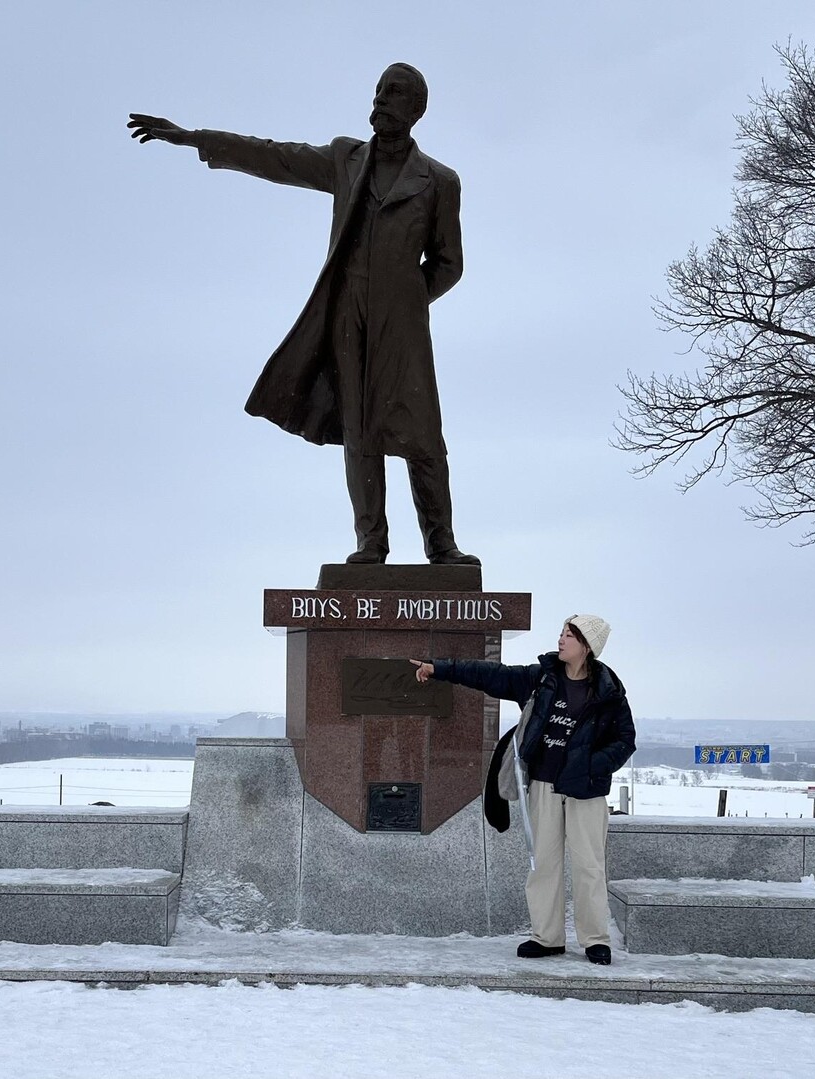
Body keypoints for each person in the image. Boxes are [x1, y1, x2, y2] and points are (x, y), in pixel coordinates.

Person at [128, 63, 478, 566]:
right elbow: (276, 157)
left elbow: (449, 264)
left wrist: (403, 298)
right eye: (377, 90)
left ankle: (441, 543)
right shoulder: (345, 160)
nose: (380, 99)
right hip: (346, 317)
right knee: (359, 430)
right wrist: (194, 138)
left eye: (394, 93)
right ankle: (371, 541)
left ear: (416, 109)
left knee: (421, 432)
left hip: (401, 327)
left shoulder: (440, 181)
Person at [411, 614, 635, 964]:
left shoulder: (608, 690)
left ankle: (594, 940)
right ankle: (547, 937)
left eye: (569, 636)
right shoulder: (540, 679)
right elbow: (490, 675)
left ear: (587, 646)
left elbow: (625, 740)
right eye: (561, 633)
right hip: (543, 786)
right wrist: (440, 668)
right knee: (542, 863)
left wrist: (595, 766)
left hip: (587, 792)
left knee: (589, 867)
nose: (560, 640)